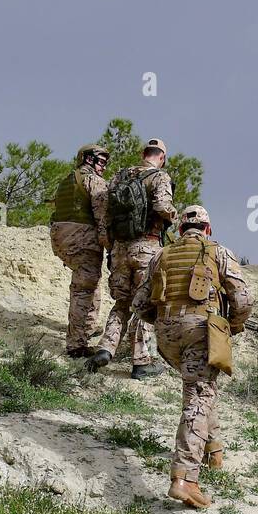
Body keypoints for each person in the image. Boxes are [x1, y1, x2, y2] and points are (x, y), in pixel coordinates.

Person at [134, 205, 252, 508]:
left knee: (202, 387)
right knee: (198, 398)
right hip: (200, 330)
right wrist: (233, 326)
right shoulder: (218, 251)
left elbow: (139, 303)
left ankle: (214, 452)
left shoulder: (160, 255)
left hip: (167, 335)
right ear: (207, 229)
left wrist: (165, 320)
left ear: (180, 230)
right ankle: (185, 479)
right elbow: (242, 299)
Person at [88, 138, 176, 379]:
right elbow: (161, 206)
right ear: (162, 157)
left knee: (121, 303)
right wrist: (174, 215)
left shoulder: (120, 175)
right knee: (143, 304)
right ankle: (141, 361)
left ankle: (106, 348)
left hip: (119, 250)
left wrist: (109, 242)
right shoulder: (160, 177)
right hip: (146, 247)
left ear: (143, 153)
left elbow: (104, 208)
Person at [49, 144, 111, 358]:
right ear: (88, 159)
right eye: (101, 161)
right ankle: (76, 344)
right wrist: (110, 245)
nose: (103, 166)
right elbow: (102, 217)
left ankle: (89, 326)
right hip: (83, 238)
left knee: (91, 281)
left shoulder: (67, 180)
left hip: (62, 237)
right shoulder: (94, 181)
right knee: (83, 288)